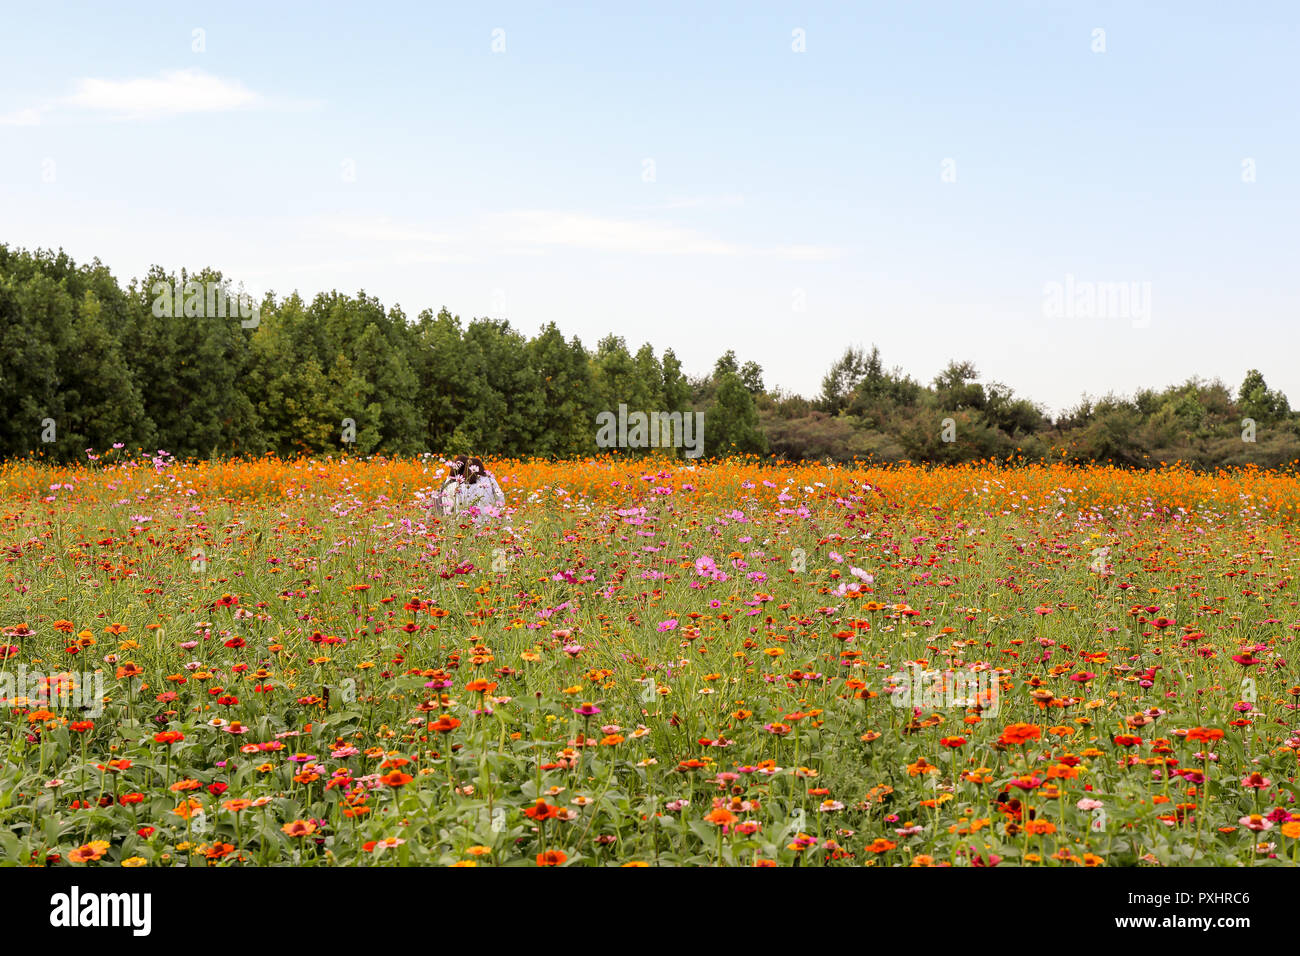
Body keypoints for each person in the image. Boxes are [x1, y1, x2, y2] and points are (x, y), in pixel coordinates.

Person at [438, 455, 505, 520]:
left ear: (466, 469)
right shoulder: (490, 480)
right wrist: (499, 510)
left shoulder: (461, 485)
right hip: (488, 519)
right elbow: (500, 497)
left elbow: (459, 506)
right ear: (481, 468)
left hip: (469, 521)